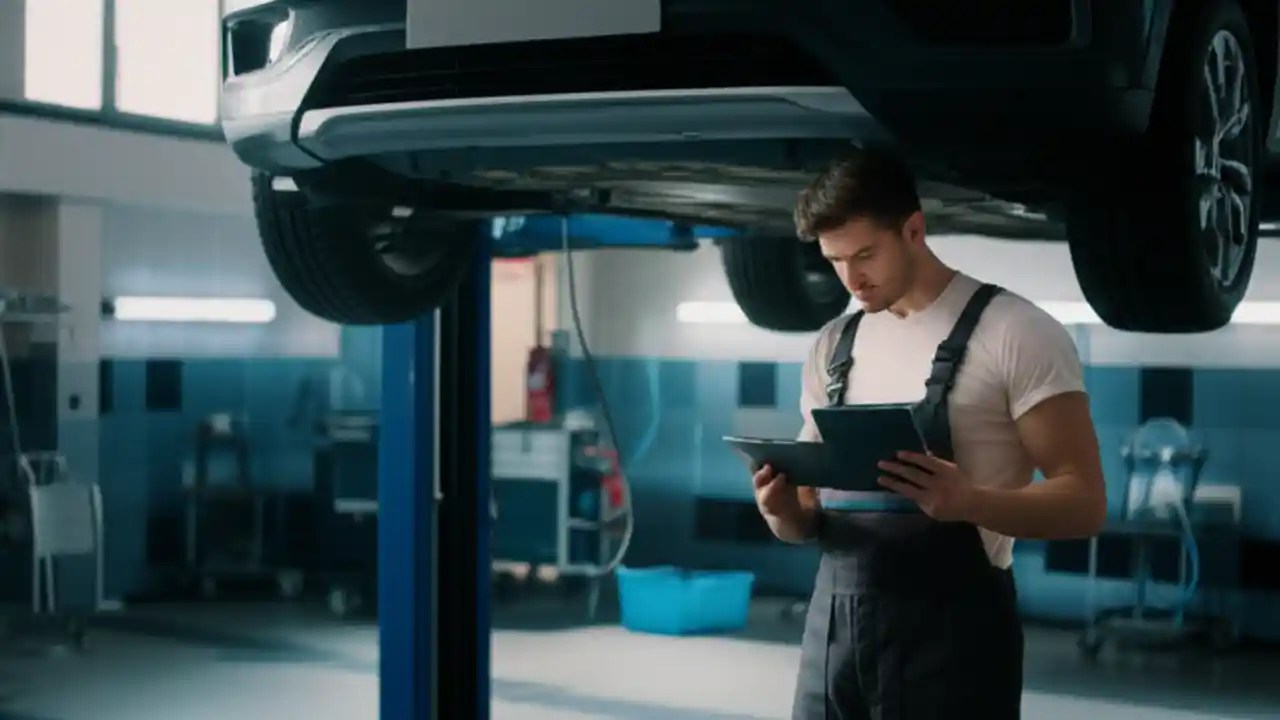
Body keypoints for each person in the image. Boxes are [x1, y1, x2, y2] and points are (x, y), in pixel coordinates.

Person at [752, 148, 1107, 720]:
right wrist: (782, 512)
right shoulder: (833, 346)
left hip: (955, 637)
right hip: (834, 633)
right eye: (834, 258)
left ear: (914, 229)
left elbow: (1085, 501)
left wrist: (971, 503)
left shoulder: (1015, 332)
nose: (851, 278)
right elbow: (806, 520)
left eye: (865, 254)